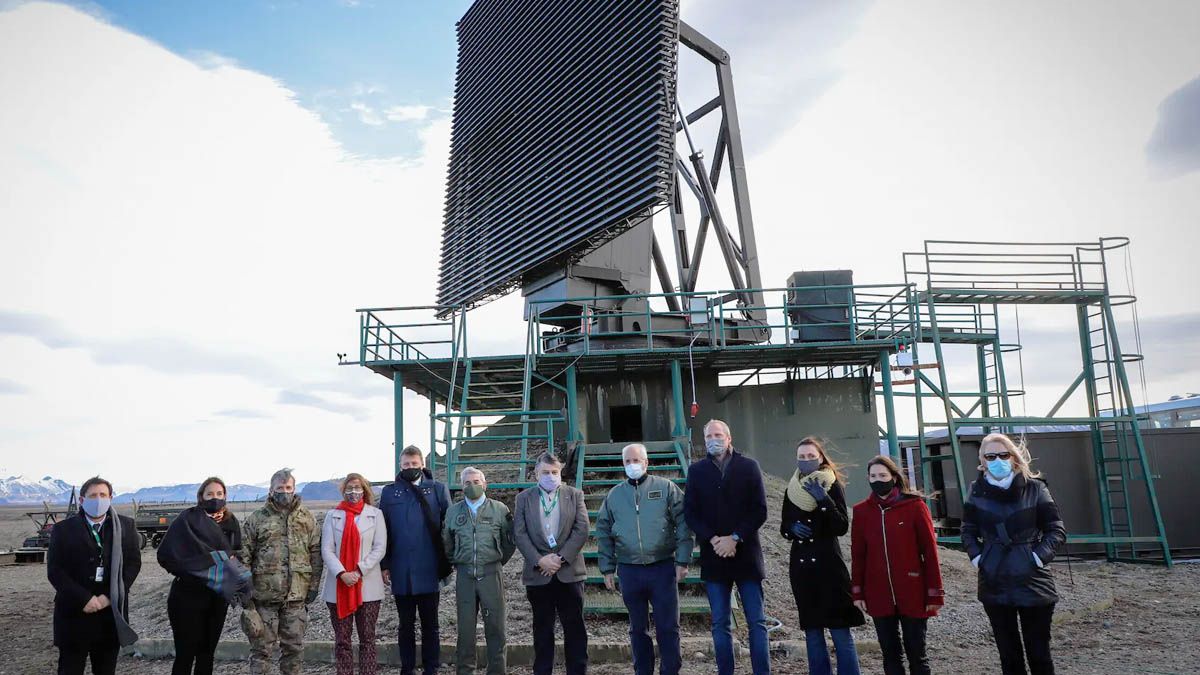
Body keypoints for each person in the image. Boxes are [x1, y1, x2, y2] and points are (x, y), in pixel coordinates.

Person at [961, 433, 1066, 675]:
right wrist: (979, 558)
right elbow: (967, 530)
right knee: (1009, 656)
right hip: (994, 581)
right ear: (982, 461)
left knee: (1039, 654)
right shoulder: (976, 491)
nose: (997, 459)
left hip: (1033, 581)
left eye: (1003, 454)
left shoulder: (1036, 488)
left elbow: (1056, 529)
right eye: (990, 456)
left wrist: (1037, 557)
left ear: (1014, 457)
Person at [595, 443, 694, 675]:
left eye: (636, 460)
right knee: (638, 629)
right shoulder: (614, 495)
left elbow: (683, 523)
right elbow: (603, 530)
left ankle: (670, 670)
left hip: (662, 567)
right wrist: (607, 568)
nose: (632, 465)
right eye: (628, 461)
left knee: (668, 627)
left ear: (646, 462)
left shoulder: (666, 488)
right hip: (630, 570)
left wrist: (682, 560)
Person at [684, 419, 770, 675]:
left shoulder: (749, 467)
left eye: (718, 434)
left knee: (757, 622)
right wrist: (713, 539)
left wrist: (735, 537)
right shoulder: (696, 471)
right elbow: (691, 513)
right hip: (714, 558)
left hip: (746, 556)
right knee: (720, 623)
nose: (713, 439)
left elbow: (760, 510)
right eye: (708, 435)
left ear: (729, 438)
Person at [850, 456, 943, 675]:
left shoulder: (915, 506)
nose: (878, 480)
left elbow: (930, 553)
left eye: (883, 475)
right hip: (878, 592)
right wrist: (858, 592)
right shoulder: (862, 512)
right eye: (873, 476)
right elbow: (858, 555)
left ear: (894, 477)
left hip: (912, 591)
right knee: (890, 655)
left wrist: (935, 594)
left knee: (917, 654)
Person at [781, 437, 863, 675]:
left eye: (811, 456)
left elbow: (841, 526)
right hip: (802, 566)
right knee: (812, 632)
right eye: (802, 457)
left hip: (829, 566)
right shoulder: (792, 488)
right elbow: (784, 523)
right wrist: (791, 528)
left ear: (820, 458)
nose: (806, 461)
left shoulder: (831, 483)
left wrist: (822, 499)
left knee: (840, 631)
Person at [158, 476, 252, 675]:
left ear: (225, 496)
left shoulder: (231, 522)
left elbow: (235, 555)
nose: (215, 498)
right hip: (187, 596)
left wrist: (226, 567)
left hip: (217, 597)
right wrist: (197, 569)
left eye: (219, 494)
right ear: (201, 496)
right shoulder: (187, 520)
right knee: (185, 654)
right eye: (210, 494)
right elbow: (166, 555)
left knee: (207, 654)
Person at [48, 476, 141, 675]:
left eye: (103, 495)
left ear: (110, 498)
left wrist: (109, 596)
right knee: (70, 668)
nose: (98, 500)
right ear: (82, 500)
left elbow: (132, 564)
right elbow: (55, 570)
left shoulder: (126, 526)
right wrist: (84, 598)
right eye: (92, 495)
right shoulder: (63, 529)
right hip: (74, 613)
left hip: (110, 614)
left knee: (106, 669)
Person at [514, 452, 590, 675]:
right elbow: (520, 533)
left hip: (569, 572)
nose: (550, 476)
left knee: (575, 628)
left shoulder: (575, 495)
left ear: (560, 472)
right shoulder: (524, 498)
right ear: (536, 473)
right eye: (545, 472)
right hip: (538, 575)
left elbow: (582, 529)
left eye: (554, 472)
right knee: (542, 630)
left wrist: (560, 558)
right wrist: (539, 560)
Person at [242, 468, 323, 675]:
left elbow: (315, 553)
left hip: (296, 598)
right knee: (261, 651)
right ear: (271, 490)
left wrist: (313, 586)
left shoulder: (307, 518)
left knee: (293, 650)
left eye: (288, 488)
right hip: (264, 598)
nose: (284, 492)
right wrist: (246, 595)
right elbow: (244, 557)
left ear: (294, 489)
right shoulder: (256, 519)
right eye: (280, 488)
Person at [380, 446, 452, 675]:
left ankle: (431, 668)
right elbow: (384, 531)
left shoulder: (438, 490)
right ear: (400, 466)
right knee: (405, 624)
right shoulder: (390, 493)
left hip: (429, 566)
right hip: (401, 568)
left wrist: (448, 560)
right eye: (406, 464)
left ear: (422, 464)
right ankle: (407, 668)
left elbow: (448, 527)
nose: (410, 468)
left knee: (431, 624)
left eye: (414, 463)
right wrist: (385, 564)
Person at [442, 466, 516, 675]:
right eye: (467, 482)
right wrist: (458, 562)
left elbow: (509, 542)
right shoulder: (453, 511)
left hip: (492, 574)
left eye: (476, 482)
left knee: (496, 629)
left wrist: (496, 563)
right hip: (465, 576)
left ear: (484, 484)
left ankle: (497, 671)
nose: (472, 486)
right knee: (465, 633)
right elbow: (447, 542)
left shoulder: (500, 509)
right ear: (461, 486)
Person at [321, 473, 388, 675]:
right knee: (342, 640)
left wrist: (359, 571)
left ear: (365, 490)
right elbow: (327, 549)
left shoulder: (375, 515)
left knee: (367, 638)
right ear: (344, 490)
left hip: (368, 586)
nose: (354, 492)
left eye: (358, 488)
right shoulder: (333, 516)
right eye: (349, 488)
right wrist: (342, 573)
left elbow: (380, 547)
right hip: (339, 586)